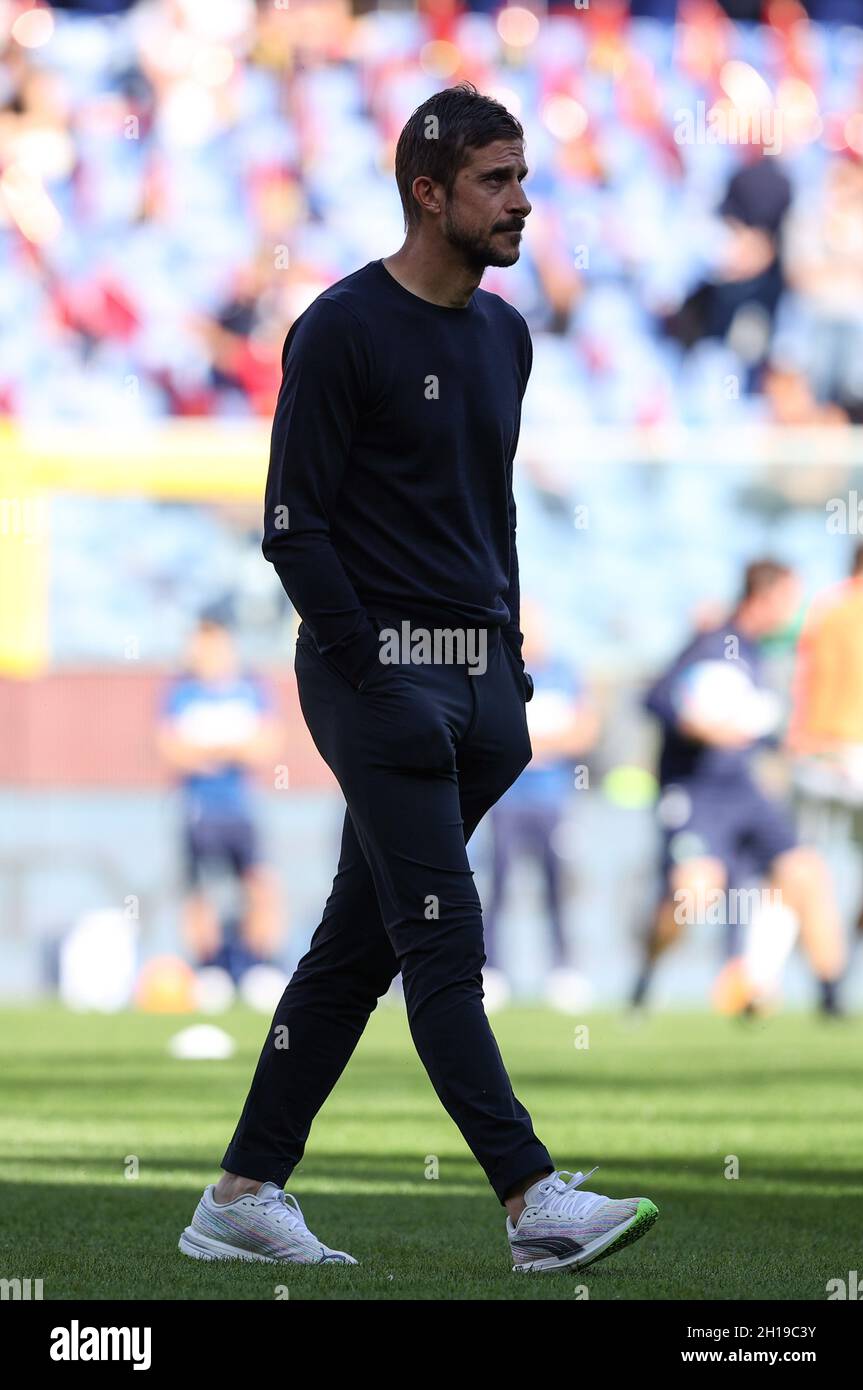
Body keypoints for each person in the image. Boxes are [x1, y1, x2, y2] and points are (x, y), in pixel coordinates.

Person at [179, 83, 658, 1273]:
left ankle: (242, 1190)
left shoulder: (506, 334)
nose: (522, 202)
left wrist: (508, 659)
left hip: (482, 686)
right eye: (496, 181)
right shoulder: (339, 326)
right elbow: (293, 527)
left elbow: (485, 509)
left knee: (359, 945)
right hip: (377, 677)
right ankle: (530, 1199)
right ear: (426, 191)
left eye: (523, 177)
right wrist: (370, 671)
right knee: (445, 936)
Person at [632, 561, 846, 1016]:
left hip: (742, 789)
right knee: (695, 894)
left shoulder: (754, 652)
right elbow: (656, 700)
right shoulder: (713, 642)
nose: (795, 612)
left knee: (806, 872)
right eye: (790, 601)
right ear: (765, 598)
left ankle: (831, 1003)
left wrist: (800, 744)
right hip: (694, 791)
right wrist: (700, 727)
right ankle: (645, 978)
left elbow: (752, 726)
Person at [485, 598, 599, 1011]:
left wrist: (534, 744)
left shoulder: (565, 672)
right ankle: (491, 969)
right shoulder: (499, 669)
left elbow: (584, 731)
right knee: (499, 885)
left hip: (553, 801)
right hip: (505, 799)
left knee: (559, 885)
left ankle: (564, 971)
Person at [157, 610, 283, 980]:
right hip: (197, 809)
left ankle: (259, 965)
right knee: (199, 889)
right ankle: (208, 968)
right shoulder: (180, 692)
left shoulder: (250, 688)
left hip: (241, 807)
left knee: (259, 883)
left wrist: (209, 750)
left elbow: (266, 744)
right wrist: (228, 748)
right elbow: (171, 749)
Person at [788, 542, 863, 938]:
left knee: (796, 863)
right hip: (853, 752)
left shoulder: (821, 608)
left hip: (814, 751)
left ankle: (758, 974)